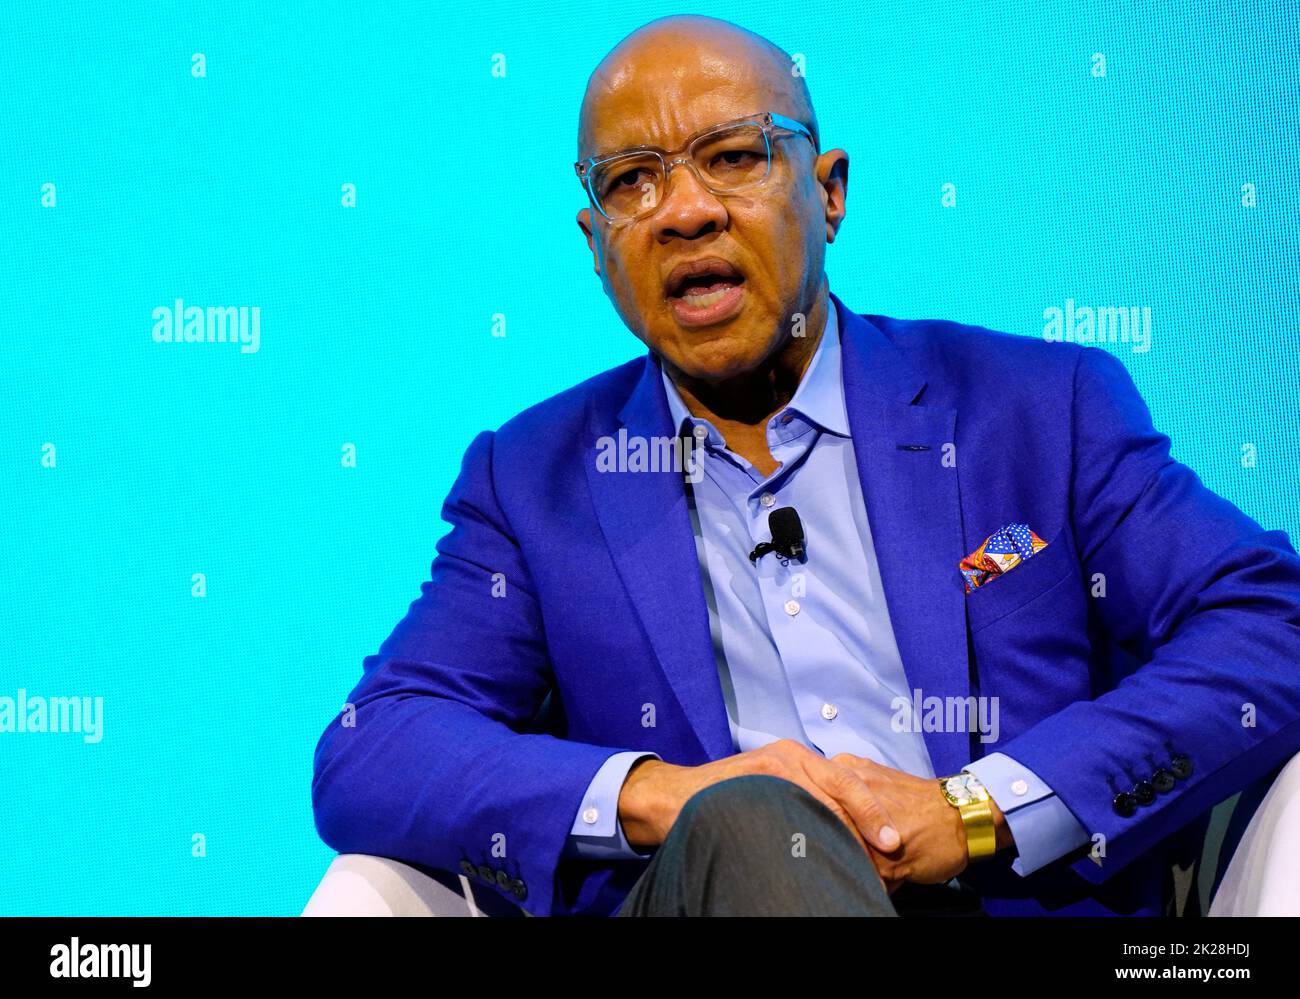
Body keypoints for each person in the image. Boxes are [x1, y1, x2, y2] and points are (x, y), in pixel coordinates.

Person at [311, 14, 1300, 916]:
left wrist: (977, 807)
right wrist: (666, 792)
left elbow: (1269, 627)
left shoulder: (1036, 408)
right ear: (596, 243)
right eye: (631, 180)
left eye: (733, 157)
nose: (683, 212)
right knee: (749, 820)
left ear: (828, 193)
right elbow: (374, 744)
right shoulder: (534, 482)